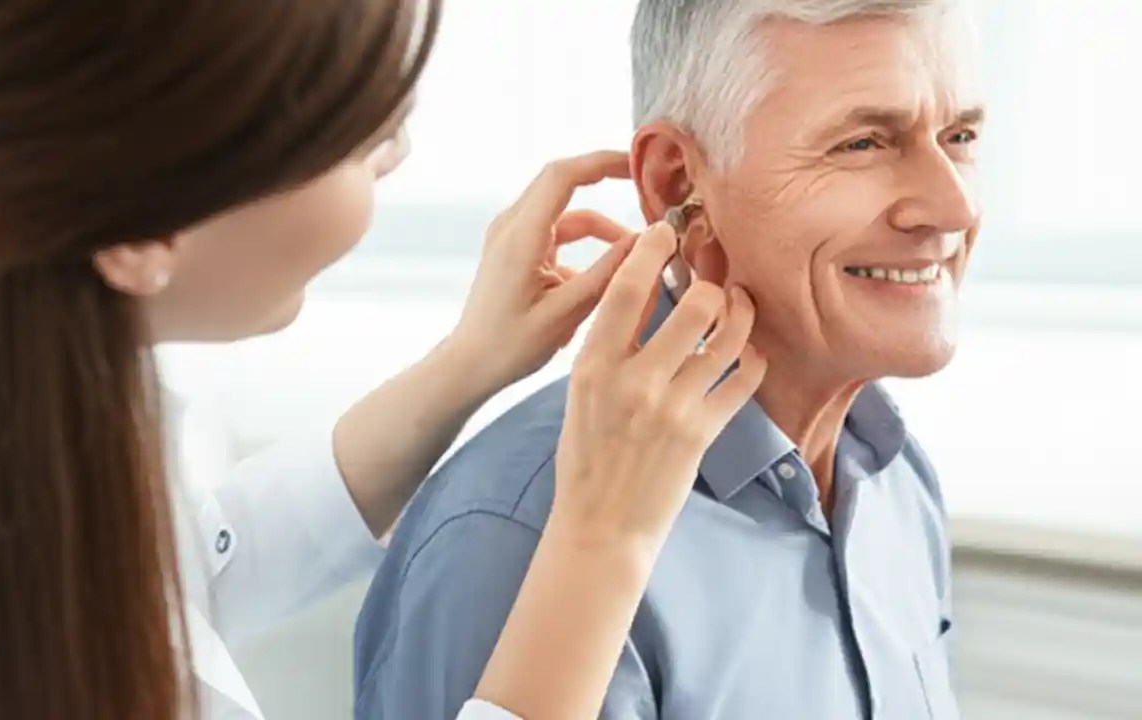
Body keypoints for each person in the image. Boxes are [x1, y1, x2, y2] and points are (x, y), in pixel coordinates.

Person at [0, 1, 767, 719]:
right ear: (143, 230)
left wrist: (468, 365)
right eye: (357, 131)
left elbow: (189, 566)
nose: (394, 158)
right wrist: (603, 537)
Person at [354, 0, 985, 718]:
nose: (955, 207)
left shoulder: (895, 479)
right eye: (864, 143)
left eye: (960, 136)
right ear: (679, 184)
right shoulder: (510, 539)